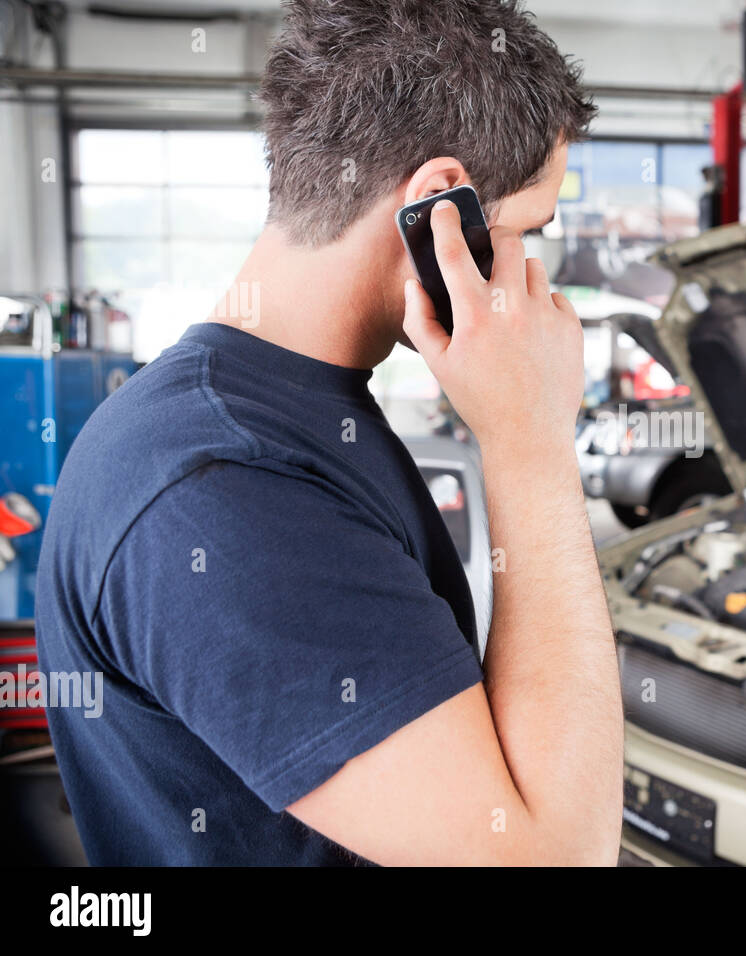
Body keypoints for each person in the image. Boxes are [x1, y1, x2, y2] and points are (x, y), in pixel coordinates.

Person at [36, 0, 623, 866]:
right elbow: (555, 856)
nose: (537, 278)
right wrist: (531, 443)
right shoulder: (224, 487)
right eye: (527, 234)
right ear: (440, 210)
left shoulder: (276, 413)